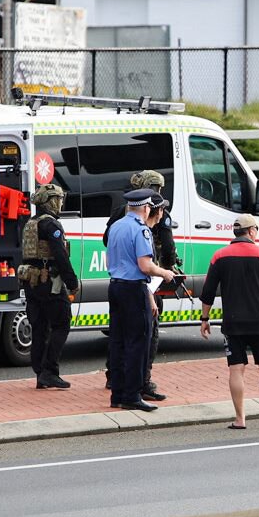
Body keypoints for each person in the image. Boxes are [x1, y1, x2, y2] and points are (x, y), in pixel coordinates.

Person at [200, 214, 259, 429]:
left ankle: (240, 419)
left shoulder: (219, 256)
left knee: (236, 369)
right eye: (256, 230)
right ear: (251, 232)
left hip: (233, 323)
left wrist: (205, 318)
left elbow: (208, 292)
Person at [103, 169, 179, 401]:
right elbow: (158, 256)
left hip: (116, 284)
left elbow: (107, 241)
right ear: (147, 206)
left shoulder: (118, 220)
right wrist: (166, 272)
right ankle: (139, 387)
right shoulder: (142, 227)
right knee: (143, 338)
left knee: (118, 338)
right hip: (138, 285)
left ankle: (117, 387)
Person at [20, 184, 79, 390]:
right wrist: (72, 281)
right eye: (59, 199)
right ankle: (50, 371)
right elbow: (60, 256)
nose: (61, 203)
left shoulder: (30, 223)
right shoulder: (50, 225)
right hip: (49, 283)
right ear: (51, 201)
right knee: (62, 323)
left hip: (31, 282)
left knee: (39, 327)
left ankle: (40, 373)